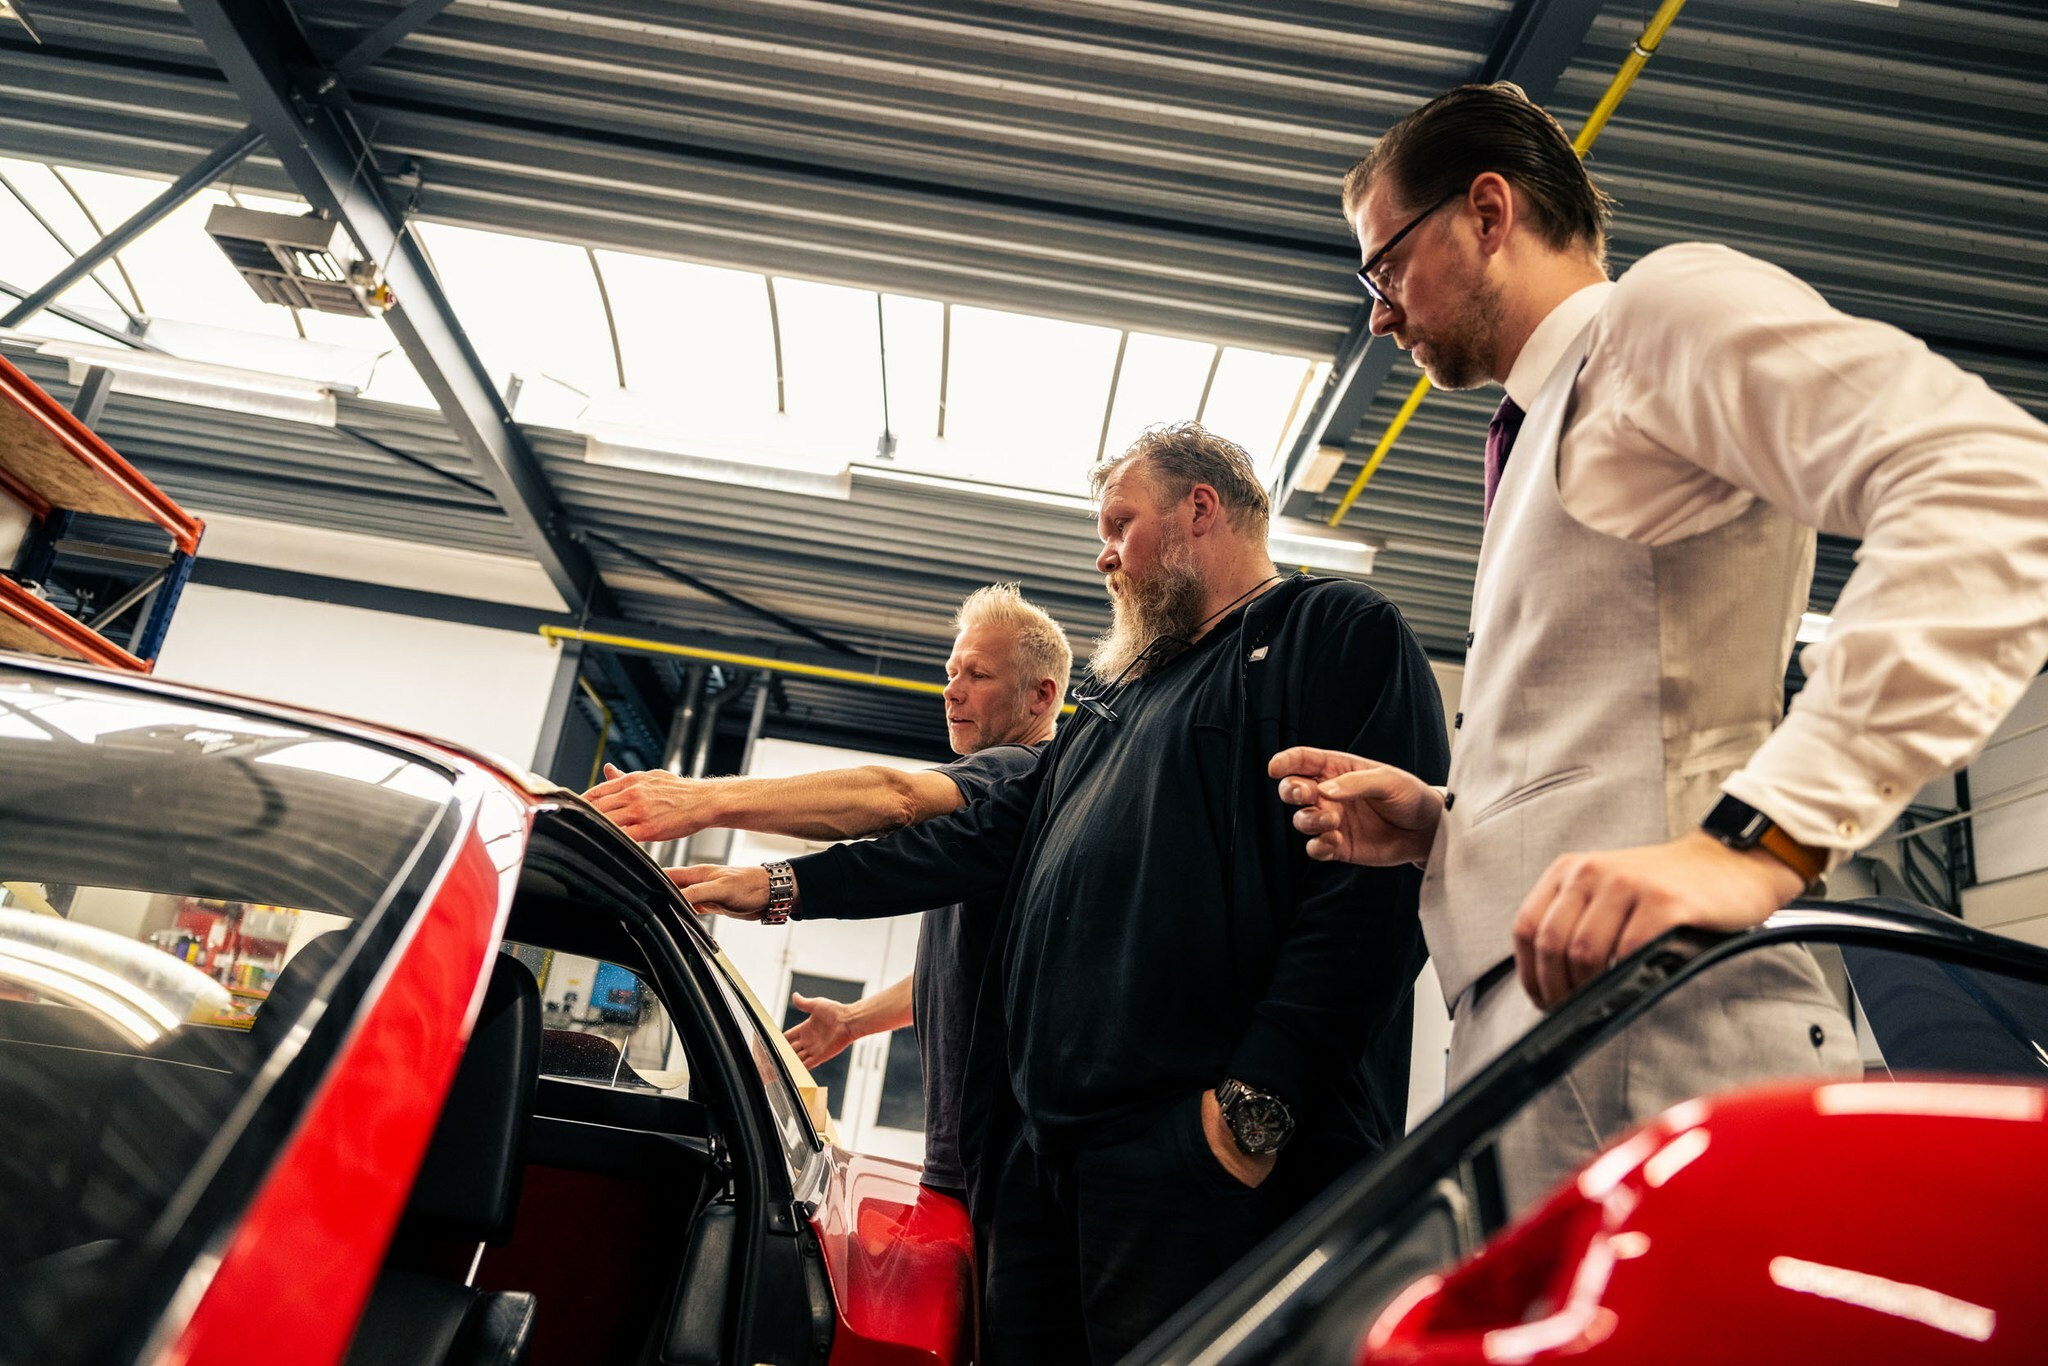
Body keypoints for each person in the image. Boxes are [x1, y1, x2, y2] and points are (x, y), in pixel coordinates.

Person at [1273, 82, 2048, 1209]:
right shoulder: (1543, 426)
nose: (1379, 313)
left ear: (1486, 213)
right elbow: (1626, 713)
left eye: (1383, 266)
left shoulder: (1649, 320)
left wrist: (1755, 843)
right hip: (1550, 1011)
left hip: (1656, 1013)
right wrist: (1449, 827)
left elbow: (1991, 488)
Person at [674, 422, 1449, 1365]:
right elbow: (965, 843)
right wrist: (774, 885)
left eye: (1120, 522)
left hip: (1198, 1169)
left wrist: (1248, 1114)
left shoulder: (1328, 632)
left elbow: (1371, 901)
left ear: (1199, 509)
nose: (1103, 552)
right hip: (1045, 1169)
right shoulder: (1115, 707)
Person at [583, 582, 1072, 1202]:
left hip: (1000, 1163)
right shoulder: (999, 815)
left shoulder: (1021, 769)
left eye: (977, 675)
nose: (952, 691)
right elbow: (964, 970)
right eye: (951, 672)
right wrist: (855, 1020)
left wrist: (704, 801)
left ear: (1041, 695)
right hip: (970, 1151)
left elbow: (893, 797)